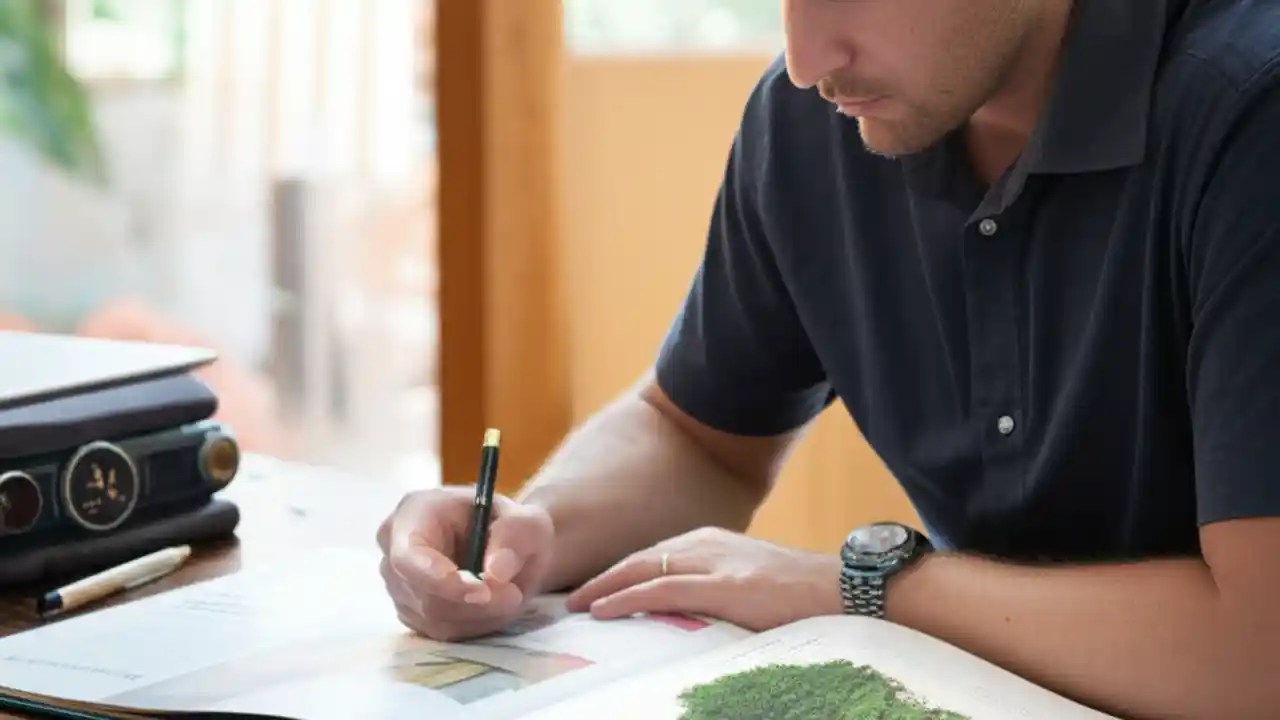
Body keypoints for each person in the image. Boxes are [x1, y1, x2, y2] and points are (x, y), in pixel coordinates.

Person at [378, 1, 1280, 717]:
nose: (808, 58)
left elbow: (1260, 653)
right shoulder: (815, 120)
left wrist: (863, 589)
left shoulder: (1253, 111)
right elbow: (695, 434)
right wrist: (533, 531)